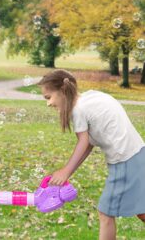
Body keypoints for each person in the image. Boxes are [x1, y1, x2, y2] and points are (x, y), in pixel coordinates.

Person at [38, 69, 145, 240]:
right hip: (137, 154)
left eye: (48, 97)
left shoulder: (78, 109)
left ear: (63, 91)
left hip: (125, 161)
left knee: (105, 213)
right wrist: (68, 172)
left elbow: (83, 141)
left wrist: (65, 171)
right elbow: (88, 144)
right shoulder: (90, 97)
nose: (48, 103)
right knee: (141, 210)